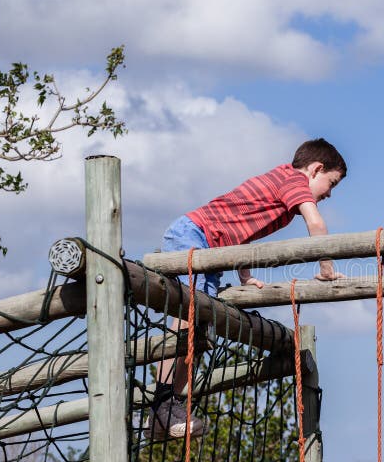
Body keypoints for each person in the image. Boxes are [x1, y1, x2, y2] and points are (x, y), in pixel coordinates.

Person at [145, 138, 347, 439]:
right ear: (316, 169)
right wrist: (326, 268)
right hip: (193, 236)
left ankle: (171, 408)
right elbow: (316, 224)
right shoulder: (294, 180)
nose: (329, 193)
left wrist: (245, 274)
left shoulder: (280, 184)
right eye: (331, 183)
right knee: (190, 316)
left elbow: (240, 225)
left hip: (209, 246)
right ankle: (162, 403)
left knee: (200, 326)